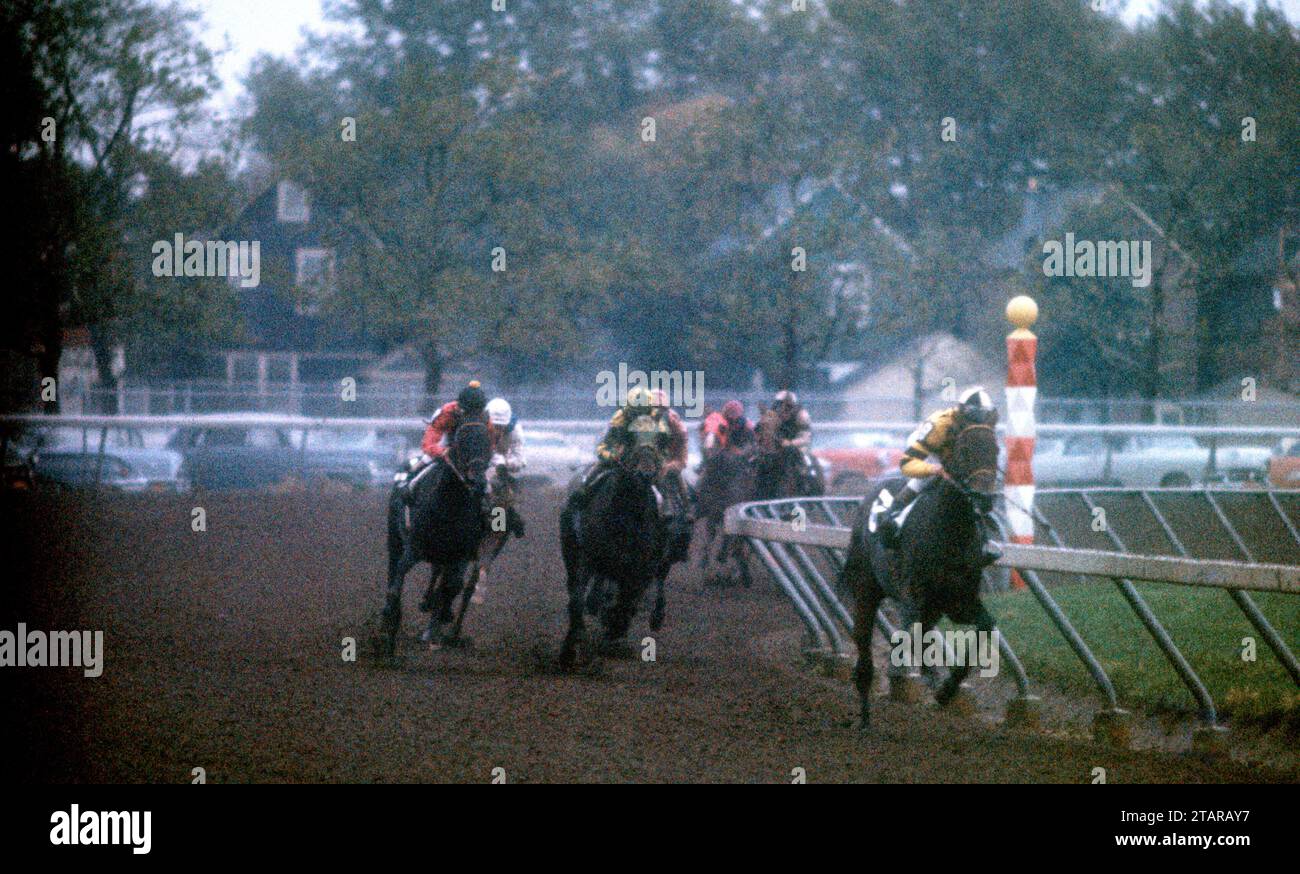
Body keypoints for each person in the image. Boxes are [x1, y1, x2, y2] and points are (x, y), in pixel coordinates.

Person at [875, 386, 1002, 565]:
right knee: (930, 477)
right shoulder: (941, 425)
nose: (979, 419)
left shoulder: (986, 423)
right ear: (963, 410)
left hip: (956, 454)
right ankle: (896, 514)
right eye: (975, 413)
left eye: (983, 414)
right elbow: (906, 463)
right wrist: (933, 469)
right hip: (932, 449)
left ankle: (983, 541)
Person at [568, 386, 673, 512]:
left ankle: (667, 504)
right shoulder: (619, 419)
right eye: (636, 413)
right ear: (629, 409)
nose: (639, 417)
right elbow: (603, 447)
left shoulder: (657, 419)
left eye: (643, 413)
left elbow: (664, 444)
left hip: (646, 454)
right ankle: (584, 490)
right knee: (600, 465)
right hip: (621, 453)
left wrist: (659, 457)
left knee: (662, 473)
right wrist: (612, 455)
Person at [395, 381, 488, 502]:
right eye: (468, 413)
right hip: (447, 445)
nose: (472, 417)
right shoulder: (447, 413)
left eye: (476, 414)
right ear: (460, 408)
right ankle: (408, 487)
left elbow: (491, 443)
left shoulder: (485, 417)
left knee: (498, 494)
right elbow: (428, 444)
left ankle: (499, 520)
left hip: (474, 453)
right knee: (424, 461)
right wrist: (443, 451)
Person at [756, 389, 817, 490]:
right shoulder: (772, 414)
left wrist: (791, 443)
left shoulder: (802, 415)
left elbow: (806, 437)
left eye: (787, 406)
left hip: (798, 444)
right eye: (780, 404)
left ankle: (808, 480)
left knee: (802, 458)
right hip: (779, 442)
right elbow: (763, 428)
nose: (783, 408)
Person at [485, 397, 526, 538]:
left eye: (501, 426)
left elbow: (519, 460)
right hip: (481, 463)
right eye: (494, 425)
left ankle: (499, 526)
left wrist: (505, 463)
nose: (497, 430)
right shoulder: (479, 427)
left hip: (501, 469)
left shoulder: (516, 432)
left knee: (500, 489)